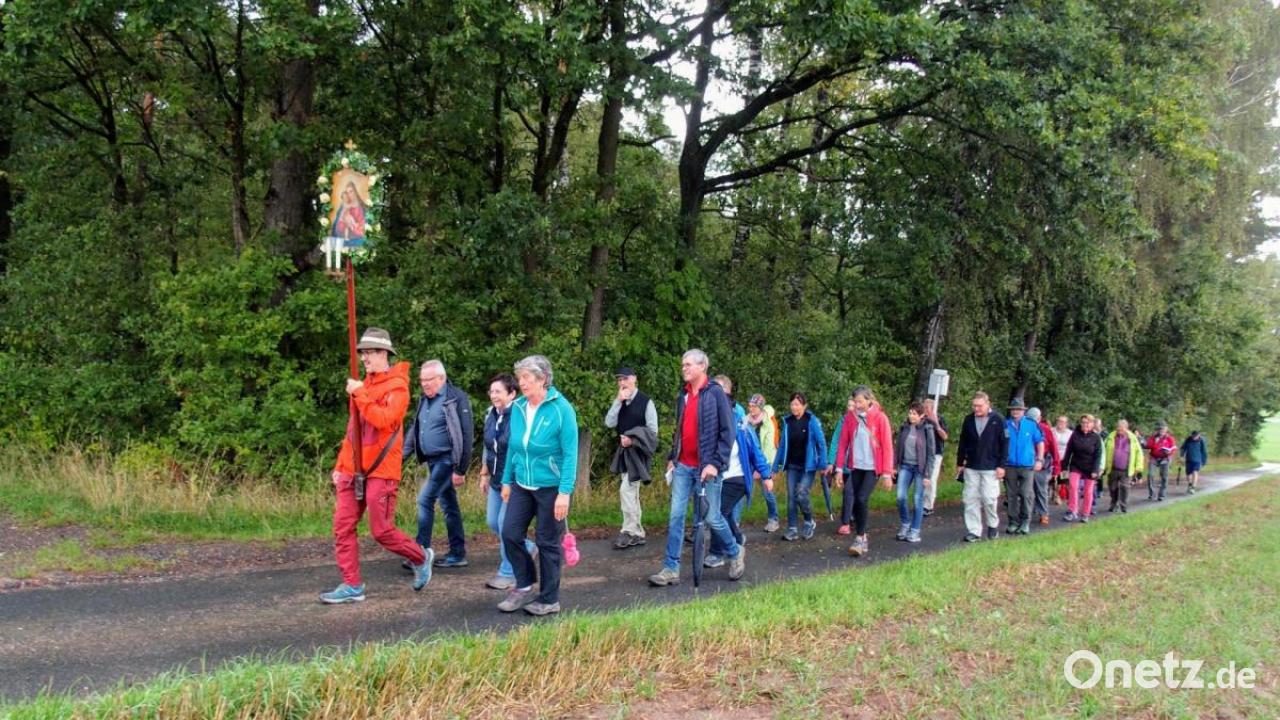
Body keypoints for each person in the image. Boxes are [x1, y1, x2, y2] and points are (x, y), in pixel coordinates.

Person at [321, 328, 431, 604]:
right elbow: (353, 431)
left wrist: (360, 395)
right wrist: (340, 465)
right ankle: (352, 585)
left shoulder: (398, 387)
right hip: (353, 469)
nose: (365, 357)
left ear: (384, 354)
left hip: (382, 470)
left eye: (370, 352)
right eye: (363, 352)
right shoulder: (363, 386)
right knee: (342, 526)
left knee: (381, 530)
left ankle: (420, 556)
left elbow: (384, 420)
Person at [649, 350, 743, 586]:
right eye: (683, 365)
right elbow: (680, 430)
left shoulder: (715, 394)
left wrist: (714, 463)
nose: (684, 368)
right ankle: (671, 568)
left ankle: (735, 551)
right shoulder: (683, 396)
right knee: (676, 516)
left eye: (689, 364)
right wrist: (673, 455)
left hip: (707, 468)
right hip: (683, 466)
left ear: (703, 367)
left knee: (712, 517)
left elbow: (727, 432)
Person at [498, 355, 578, 616]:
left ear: (542, 379)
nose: (521, 383)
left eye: (526, 378)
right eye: (519, 378)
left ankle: (549, 599)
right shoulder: (519, 407)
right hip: (522, 484)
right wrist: (507, 480)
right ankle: (524, 585)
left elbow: (570, 454)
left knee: (547, 542)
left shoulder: (561, 409)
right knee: (509, 532)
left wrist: (564, 492)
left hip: (551, 487)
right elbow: (513, 446)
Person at [404, 360, 475, 568]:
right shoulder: (424, 400)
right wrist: (399, 458)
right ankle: (457, 553)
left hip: (447, 460)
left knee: (424, 500)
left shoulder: (455, 398)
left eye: (429, 380)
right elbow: (415, 430)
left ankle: (420, 554)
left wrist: (461, 468)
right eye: (422, 380)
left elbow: (467, 434)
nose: (425, 384)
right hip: (432, 461)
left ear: (441, 378)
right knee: (449, 505)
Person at [479, 373, 537, 590]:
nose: (493, 396)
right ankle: (527, 547)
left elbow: (520, 449)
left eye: (498, 392)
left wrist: (511, 480)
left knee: (505, 526)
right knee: (492, 522)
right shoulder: (490, 415)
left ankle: (509, 571)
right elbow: (488, 446)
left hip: (512, 480)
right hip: (495, 478)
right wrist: (484, 473)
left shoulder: (519, 416)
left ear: (512, 393)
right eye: (491, 391)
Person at [705, 417, 773, 575]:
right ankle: (736, 537)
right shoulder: (710, 428)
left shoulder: (742, 430)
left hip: (738, 479)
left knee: (718, 513)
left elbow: (756, 453)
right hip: (718, 479)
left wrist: (766, 475)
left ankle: (718, 552)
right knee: (723, 514)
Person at [833, 386, 894, 556]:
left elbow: (888, 446)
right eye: (855, 402)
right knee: (855, 498)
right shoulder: (850, 418)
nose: (857, 405)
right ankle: (861, 535)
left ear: (869, 400)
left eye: (860, 401)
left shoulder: (880, 418)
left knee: (861, 498)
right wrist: (839, 469)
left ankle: (860, 537)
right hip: (856, 465)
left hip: (873, 467)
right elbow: (843, 444)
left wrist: (887, 474)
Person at [605, 366, 659, 549]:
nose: (622, 383)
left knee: (626, 490)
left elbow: (653, 432)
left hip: (639, 453)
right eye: (619, 380)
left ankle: (629, 530)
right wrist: (617, 402)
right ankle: (637, 532)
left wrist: (633, 440)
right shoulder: (619, 402)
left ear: (634, 379)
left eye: (625, 379)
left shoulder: (646, 402)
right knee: (631, 493)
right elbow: (609, 423)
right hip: (624, 453)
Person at [773, 392, 828, 542]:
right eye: (792, 404)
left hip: (807, 466)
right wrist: (775, 468)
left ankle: (809, 521)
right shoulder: (788, 422)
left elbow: (821, 443)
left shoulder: (812, 421)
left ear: (804, 406)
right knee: (791, 497)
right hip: (792, 465)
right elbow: (782, 446)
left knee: (801, 493)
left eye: (797, 404)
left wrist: (823, 464)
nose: (794, 407)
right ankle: (792, 528)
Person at [955, 391, 1008, 542]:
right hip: (972, 465)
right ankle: (974, 530)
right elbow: (963, 441)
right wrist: (960, 463)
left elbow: (1005, 443)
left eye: (979, 406)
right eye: (974, 406)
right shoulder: (968, 419)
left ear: (987, 404)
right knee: (970, 499)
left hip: (991, 466)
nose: (976, 409)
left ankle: (992, 526)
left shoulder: (998, 420)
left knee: (989, 499)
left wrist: (1001, 465)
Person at [892, 402, 935, 543]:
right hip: (905, 466)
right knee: (900, 497)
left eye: (914, 414)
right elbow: (897, 448)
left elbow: (931, 454)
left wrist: (928, 475)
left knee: (918, 499)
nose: (911, 416)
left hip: (920, 469)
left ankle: (915, 531)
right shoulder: (904, 428)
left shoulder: (927, 429)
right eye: (910, 413)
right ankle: (906, 524)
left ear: (921, 415)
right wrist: (894, 466)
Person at [1002, 398, 1045, 536]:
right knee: (1011, 495)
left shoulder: (1031, 424)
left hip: (1027, 465)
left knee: (1026, 494)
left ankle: (1025, 521)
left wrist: (1040, 459)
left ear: (1023, 411)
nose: (1016, 411)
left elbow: (1039, 442)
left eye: (1019, 409)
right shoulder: (1005, 425)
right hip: (1009, 465)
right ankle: (1013, 521)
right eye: (1014, 409)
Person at [744, 394, 782, 532]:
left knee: (767, 491)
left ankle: (774, 520)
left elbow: (768, 447)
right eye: (750, 405)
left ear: (760, 407)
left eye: (754, 406)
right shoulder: (746, 421)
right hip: (750, 460)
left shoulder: (768, 422)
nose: (751, 408)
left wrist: (762, 468)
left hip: (766, 461)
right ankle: (732, 520)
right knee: (740, 488)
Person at [1061, 414, 1104, 522]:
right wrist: (1065, 467)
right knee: (1073, 487)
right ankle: (1072, 511)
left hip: (1090, 467)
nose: (1085, 425)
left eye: (1088, 423)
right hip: (1076, 465)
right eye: (1083, 422)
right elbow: (1068, 451)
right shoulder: (1075, 435)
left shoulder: (1096, 437)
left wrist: (1095, 470)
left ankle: (1085, 513)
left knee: (1088, 491)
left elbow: (1098, 455)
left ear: (1092, 424)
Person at [1102, 419, 1144, 513]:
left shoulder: (1132, 439)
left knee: (1125, 487)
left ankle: (1123, 505)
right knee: (1113, 488)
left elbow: (1139, 454)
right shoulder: (1110, 437)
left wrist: (1139, 468)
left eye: (1121, 428)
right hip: (1112, 467)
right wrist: (1102, 466)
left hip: (1126, 469)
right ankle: (1113, 503)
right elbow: (1103, 452)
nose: (1119, 430)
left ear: (1126, 428)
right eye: (1118, 428)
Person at [1028, 407, 1060, 525]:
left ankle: (1043, 513)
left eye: (1034, 419)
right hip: (1027, 462)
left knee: (1041, 488)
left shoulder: (1046, 430)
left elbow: (1054, 448)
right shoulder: (1024, 427)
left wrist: (1056, 467)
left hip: (1042, 462)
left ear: (1039, 419)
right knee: (1027, 490)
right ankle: (1027, 513)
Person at [920, 397, 950, 518]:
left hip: (936, 453)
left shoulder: (940, 419)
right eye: (924, 407)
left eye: (927, 408)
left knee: (931, 479)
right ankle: (921, 502)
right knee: (922, 479)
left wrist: (936, 424)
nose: (925, 410)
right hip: (923, 453)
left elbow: (945, 436)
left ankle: (928, 505)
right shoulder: (921, 419)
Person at [1145, 422, 1178, 501]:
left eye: (1163, 429)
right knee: (1150, 475)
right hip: (1154, 458)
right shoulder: (1153, 437)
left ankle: (1161, 494)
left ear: (1166, 430)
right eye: (1160, 429)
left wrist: (1169, 453)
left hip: (1165, 459)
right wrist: (1154, 442)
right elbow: (1148, 446)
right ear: (1158, 430)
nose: (1161, 431)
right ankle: (1152, 494)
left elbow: (1173, 449)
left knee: (1164, 477)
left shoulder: (1170, 438)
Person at [1051, 415, 1073, 505]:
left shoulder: (1070, 433)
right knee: (1053, 479)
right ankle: (1056, 495)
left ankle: (1065, 496)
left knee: (1063, 479)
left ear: (1066, 424)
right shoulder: (1052, 431)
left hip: (1065, 459)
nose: (1061, 423)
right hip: (1053, 458)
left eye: (1063, 422)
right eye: (1059, 421)